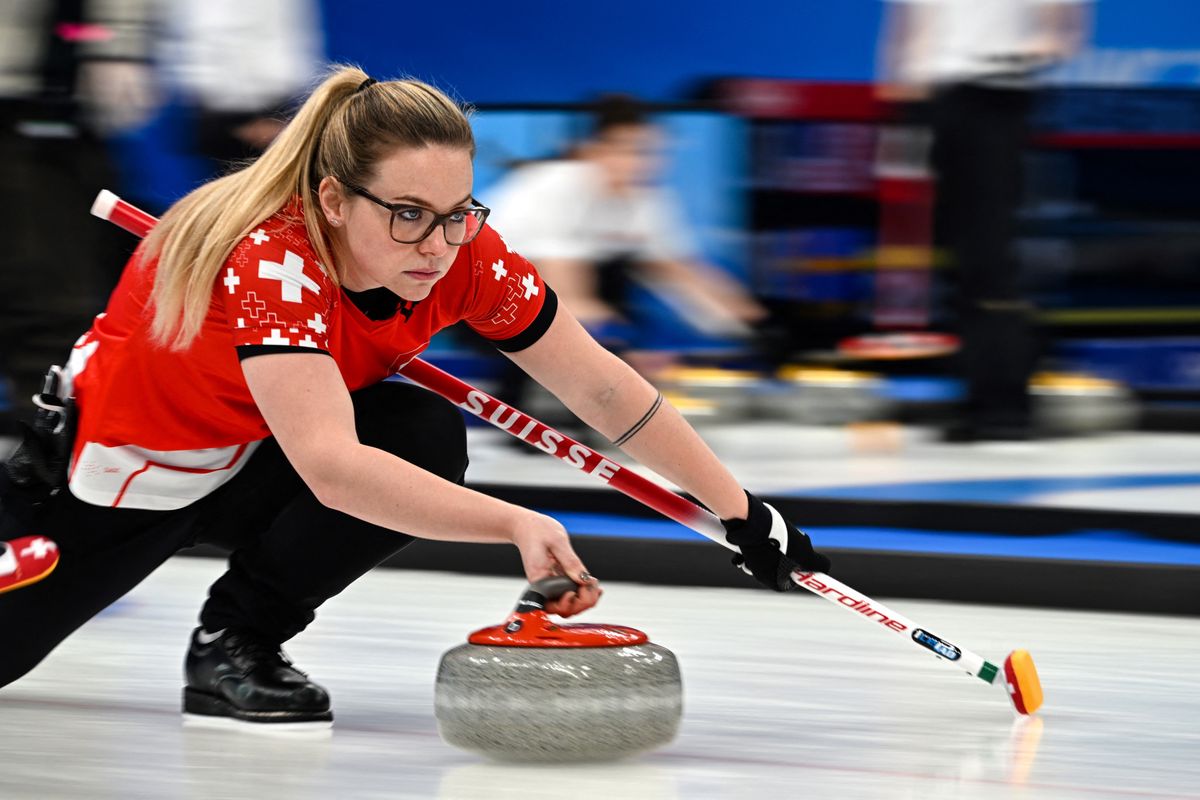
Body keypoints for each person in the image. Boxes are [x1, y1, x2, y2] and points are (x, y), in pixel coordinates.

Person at [0, 67, 830, 730]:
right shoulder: (272, 257)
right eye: (406, 215)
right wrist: (517, 522)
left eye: (456, 212)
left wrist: (741, 514)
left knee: (421, 433)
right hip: (122, 472)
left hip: (258, 454)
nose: (436, 246)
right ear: (332, 200)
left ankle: (236, 642)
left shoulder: (467, 253)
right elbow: (332, 469)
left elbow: (604, 386)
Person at [878, 0, 1091, 441]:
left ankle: (1004, 405)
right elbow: (910, 24)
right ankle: (983, 396)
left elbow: (1065, 24)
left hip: (993, 96)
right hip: (940, 99)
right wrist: (902, 90)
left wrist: (1042, 44)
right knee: (962, 258)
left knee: (987, 255)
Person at [481, 94, 764, 411]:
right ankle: (522, 417)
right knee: (590, 332)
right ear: (594, 150)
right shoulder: (555, 185)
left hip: (551, 294)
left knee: (620, 277)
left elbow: (680, 271)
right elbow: (563, 287)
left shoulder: (646, 201)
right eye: (629, 150)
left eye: (650, 152)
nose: (642, 162)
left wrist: (750, 327)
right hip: (481, 289)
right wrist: (621, 350)